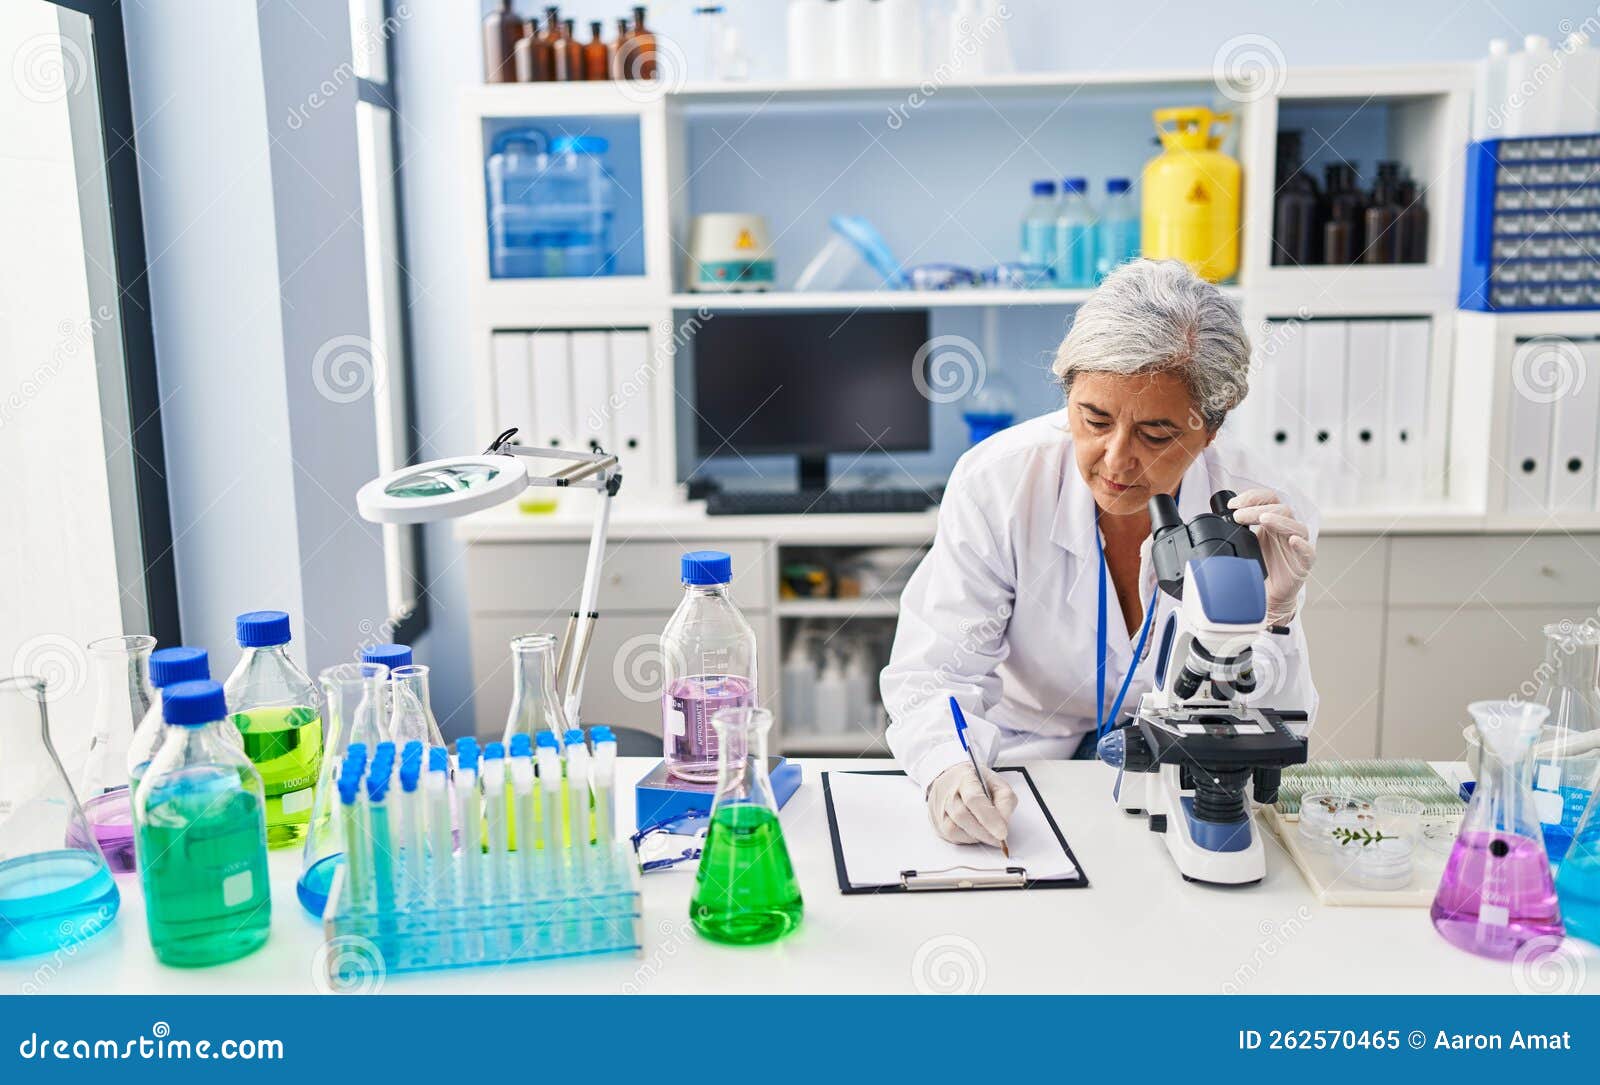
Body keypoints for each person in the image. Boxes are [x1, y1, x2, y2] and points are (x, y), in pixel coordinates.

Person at [880, 259, 1318, 850]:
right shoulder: (999, 482)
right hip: (1025, 764)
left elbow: (1275, 718)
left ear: (1209, 429)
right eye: (1094, 419)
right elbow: (936, 672)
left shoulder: (1260, 505)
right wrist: (949, 770)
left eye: (1156, 435)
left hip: (1183, 770)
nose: (1115, 460)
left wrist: (1275, 619)